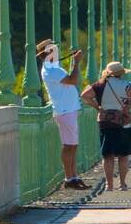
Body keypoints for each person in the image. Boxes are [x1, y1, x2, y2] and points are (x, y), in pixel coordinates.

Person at [37, 39, 91, 191]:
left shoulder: (53, 68)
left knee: (72, 145)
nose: (57, 51)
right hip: (65, 110)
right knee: (69, 146)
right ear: (48, 53)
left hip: (68, 110)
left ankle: (73, 177)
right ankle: (69, 178)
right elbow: (73, 80)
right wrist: (76, 63)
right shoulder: (51, 70)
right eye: (54, 49)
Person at [81, 60, 131, 191]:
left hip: (105, 122)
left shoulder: (99, 85)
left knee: (108, 155)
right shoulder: (126, 84)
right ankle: (123, 183)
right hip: (122, 122)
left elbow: (85, 96)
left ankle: (109, 185)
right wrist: (128, 106)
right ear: (121, 73)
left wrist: (97, 107)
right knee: (123, 155)